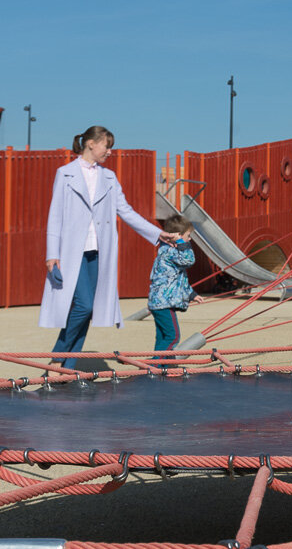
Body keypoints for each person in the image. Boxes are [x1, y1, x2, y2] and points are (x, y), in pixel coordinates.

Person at [39, 125, 178, 371]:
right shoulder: (65, 173)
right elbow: (55, 215)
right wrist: (52, 254)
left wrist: (158, 233)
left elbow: (126, 212)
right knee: (84, 306)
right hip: (74, 251)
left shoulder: (109, 177)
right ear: (91, 143)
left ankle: (68, 367)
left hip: (99, 252)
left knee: (88, 310)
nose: (110, 151)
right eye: (107, 145)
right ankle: (58, 354)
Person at [148, 214, 204, 362]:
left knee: (163, 336)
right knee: (173, 336)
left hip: (159, 302)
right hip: (164, 303)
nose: (189, 239)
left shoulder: (165, 251)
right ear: (178, 236)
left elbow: (176, 279)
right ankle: (156, 365)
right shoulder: (170, 252)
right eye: (188, 236)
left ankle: (160, 365)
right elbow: (189, 259)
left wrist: (191, 294)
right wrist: (180, 242)